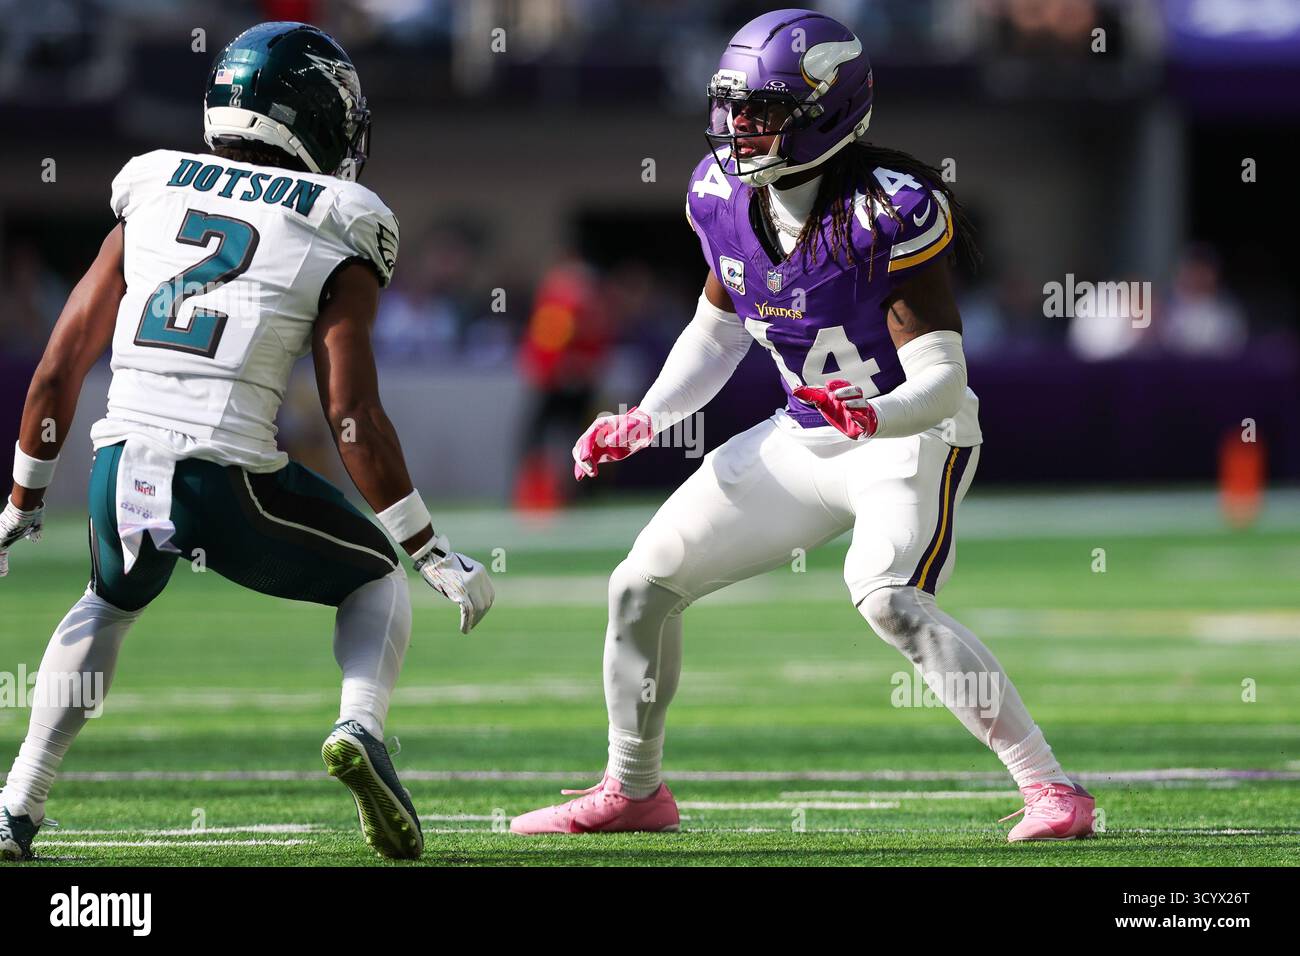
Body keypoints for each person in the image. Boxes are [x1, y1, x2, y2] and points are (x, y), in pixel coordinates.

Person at [510, 8, 1094, 842]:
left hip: (910, 435)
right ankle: (634, 790)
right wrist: (645, 418)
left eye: (763, 110)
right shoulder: (721, 198)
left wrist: (872, 413)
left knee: (888, 598)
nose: (739, 128)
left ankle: (1052, 789)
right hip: (804, 434)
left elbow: (942, 383)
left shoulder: (885, 211)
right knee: (640, 586)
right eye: (732, 107)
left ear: (827, 109)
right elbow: (718, 331)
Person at [0, 22, 494, 862]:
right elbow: (351, 413)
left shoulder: (153, 184)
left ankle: (17, 806)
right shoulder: (342, 216)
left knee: (107, 602)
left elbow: (58, 366)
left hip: (120, 465)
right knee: (376, 578)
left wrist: (23, 497)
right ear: (312, 118)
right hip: (225, 478)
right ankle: (359, 728)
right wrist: (430, 550)